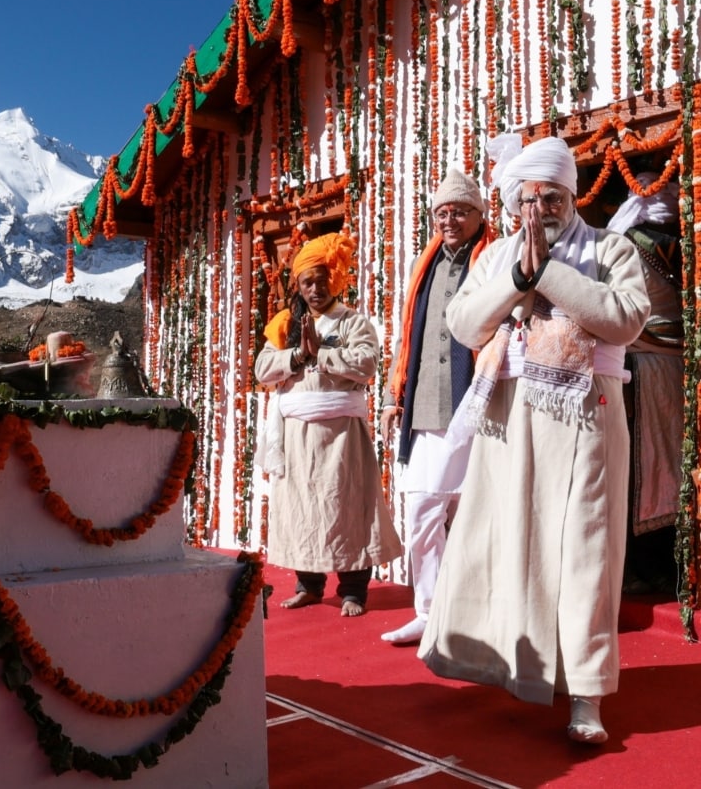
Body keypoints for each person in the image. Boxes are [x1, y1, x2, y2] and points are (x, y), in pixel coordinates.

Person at [417, 136, 651, 745]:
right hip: (509, 418)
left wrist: (549, 272)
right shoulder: (496, 259)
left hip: (586, 420)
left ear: (572, 196)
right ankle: (509, 666)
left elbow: (624, 319)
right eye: (528, 197)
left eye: (551, 196)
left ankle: (587, 696)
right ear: (515, 201)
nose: (540, 207)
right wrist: (520, 273)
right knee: (507, 544)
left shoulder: (609, 248)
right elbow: (465, 324)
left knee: (586, 555)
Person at [254, 231, 402, 617]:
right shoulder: (286, 324)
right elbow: (263, 368)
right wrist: (299, 357)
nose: (316, 288)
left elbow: (366, 365)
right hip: (296, 435)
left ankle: (353, 590)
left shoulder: (352, 322)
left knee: (348, 505)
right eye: (308, 281)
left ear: (333, 279)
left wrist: (322, 354)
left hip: (341, 436)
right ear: (299, 286)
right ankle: (309, 585)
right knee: (302, 506)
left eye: (322, 279)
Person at [380, 165, 493, 645]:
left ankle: (480, 614)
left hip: (482, 404)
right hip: (425, 406)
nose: (450, 220)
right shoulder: (421, 266)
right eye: (442, 212)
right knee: (422, 509)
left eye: (460, 212)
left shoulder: (495, 257)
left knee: (477, 515)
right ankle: (429, 611)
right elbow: (407, 338)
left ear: (478, 215)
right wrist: (392, 395)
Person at [608, 174, 683, 593]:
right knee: (661, 465)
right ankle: (657, 565)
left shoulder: (626, 241)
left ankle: (641, 566)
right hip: (666, 369)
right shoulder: (681, 237)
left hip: (642, 368)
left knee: (642, 468)